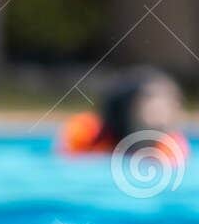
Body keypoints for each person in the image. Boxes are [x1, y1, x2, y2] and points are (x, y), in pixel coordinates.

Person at [56, 67, 190, 163]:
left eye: (171, 104)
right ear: (126, 108)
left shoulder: (171, 146)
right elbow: (66, 161)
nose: (164, 114)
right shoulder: (86, 131)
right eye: (154, 106)